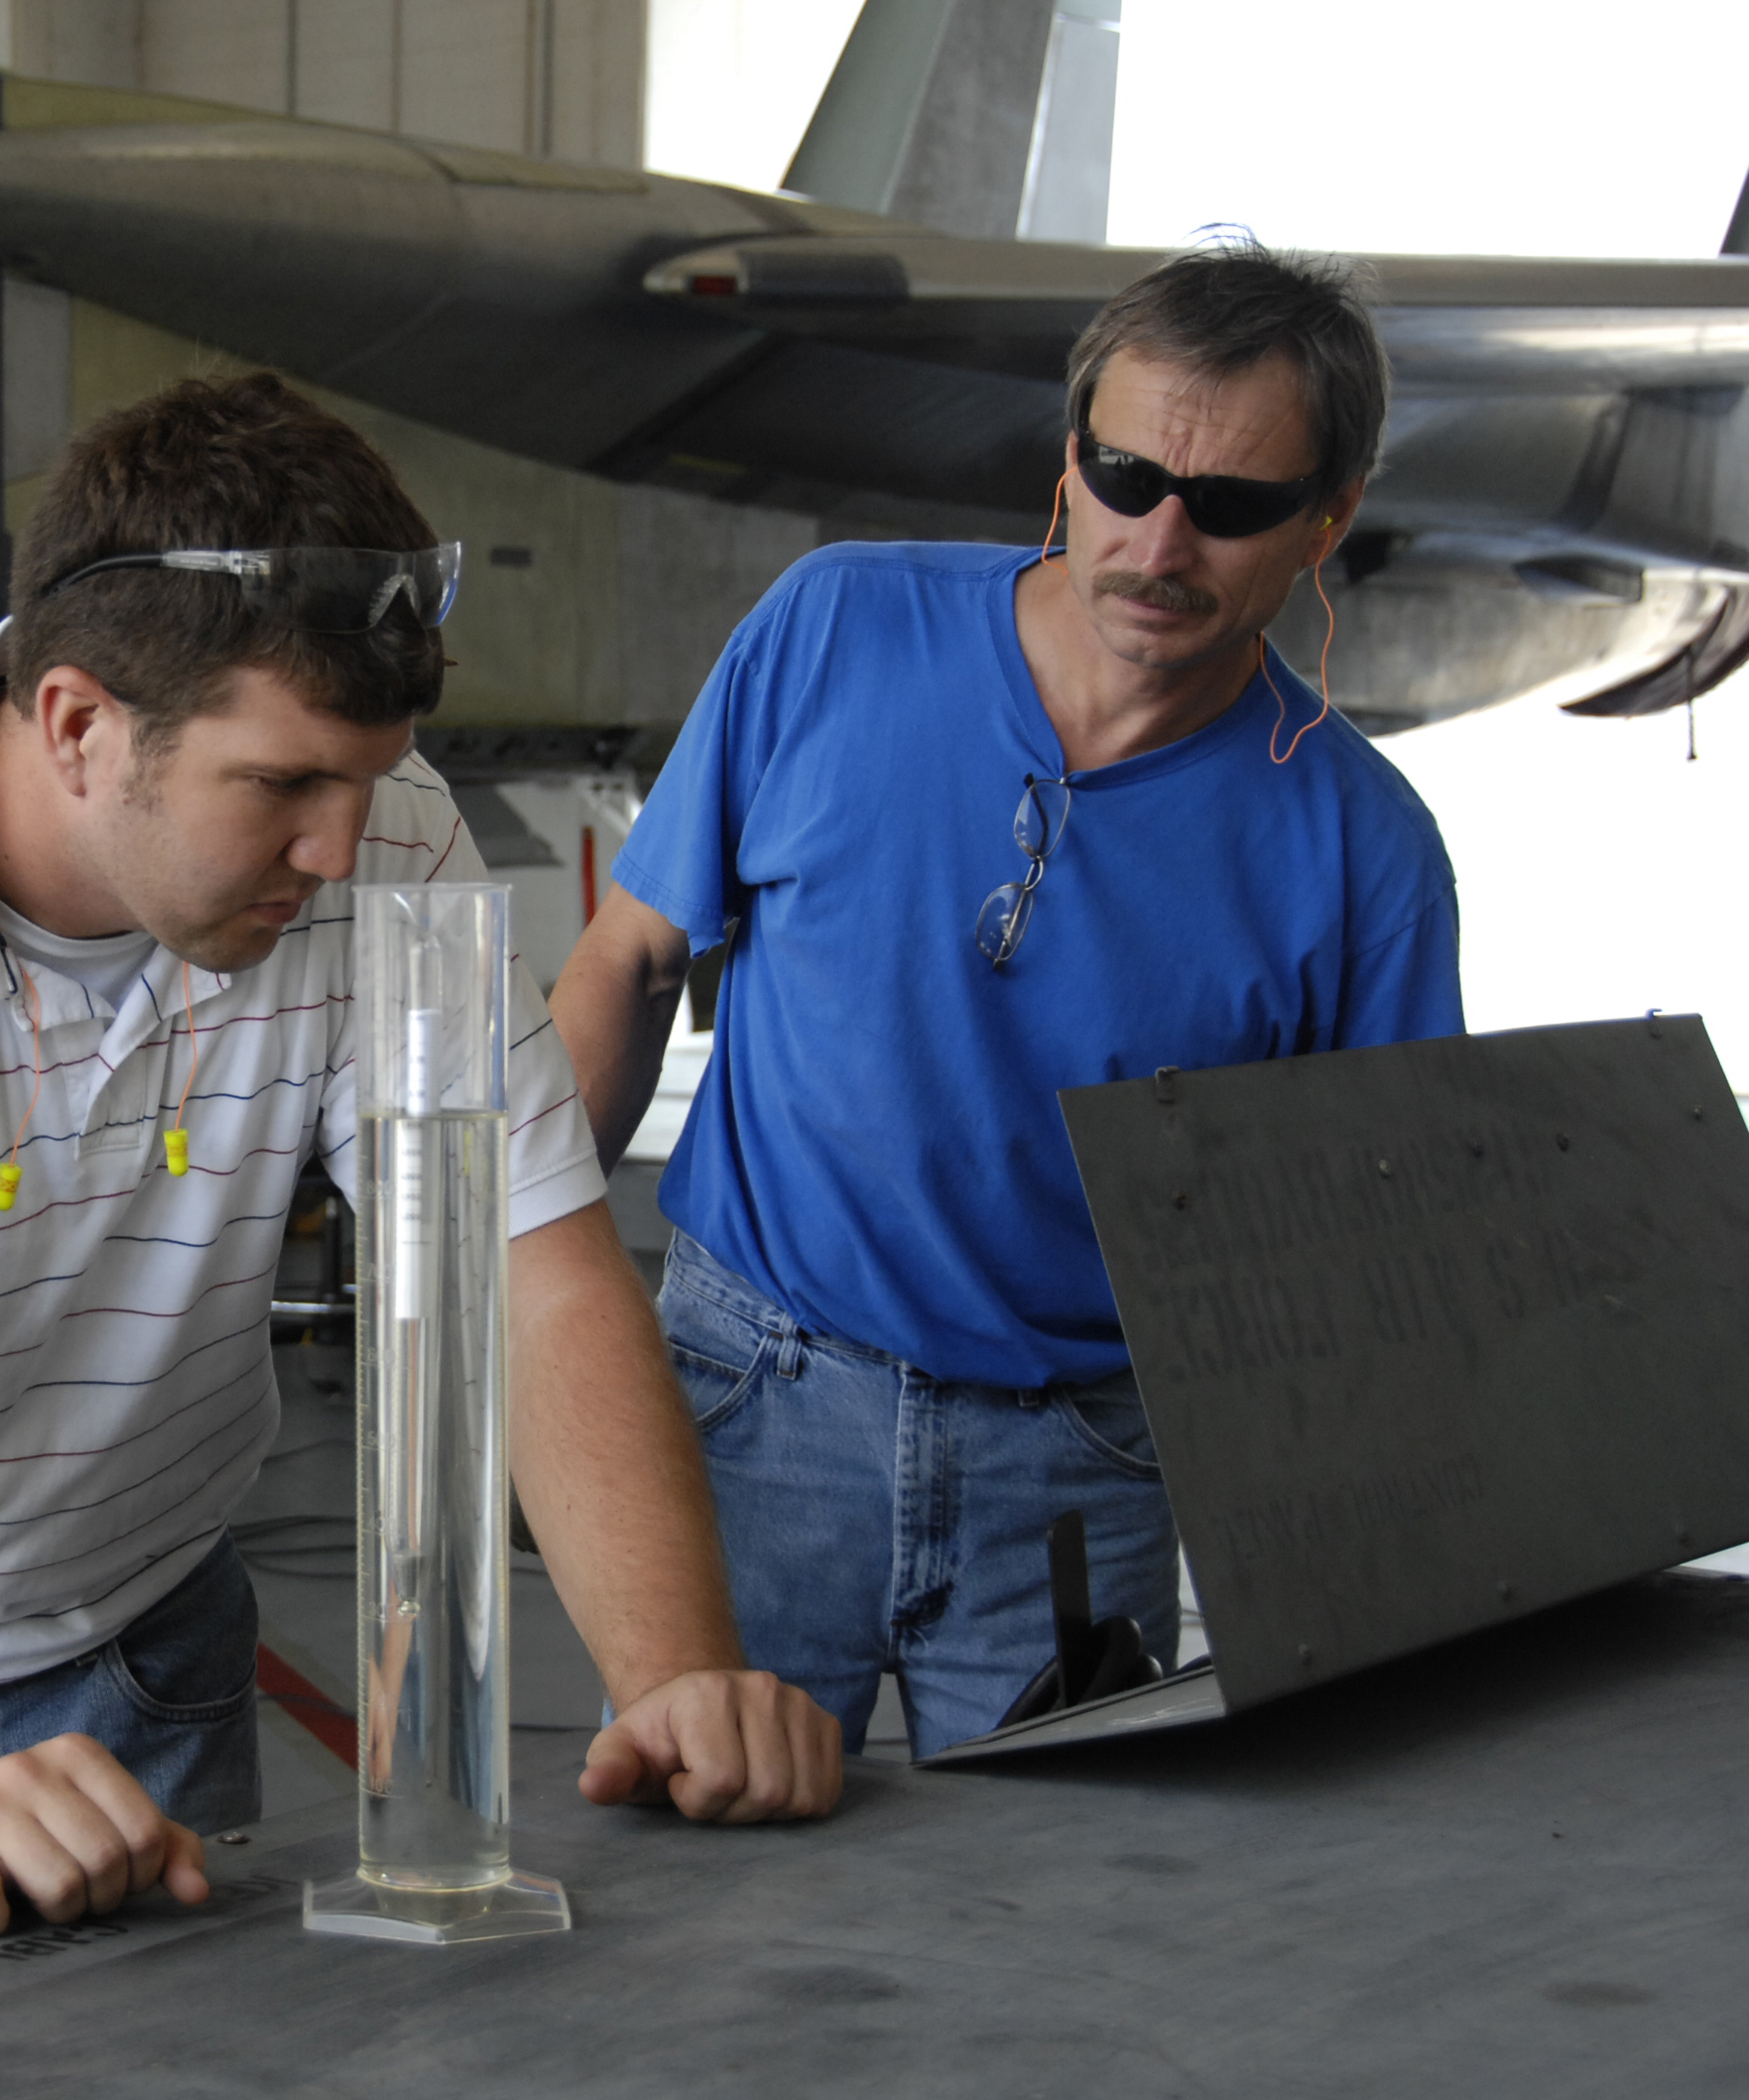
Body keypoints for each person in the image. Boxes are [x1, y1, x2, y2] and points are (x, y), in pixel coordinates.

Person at [0, 372, 842, 2009]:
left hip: (138, 1655)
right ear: (80, 723)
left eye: (371, 781)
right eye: (283, 787)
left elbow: (541, 1277)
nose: (341, 849)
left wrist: (676, 1682)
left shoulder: (381, 840)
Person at [551, 241, 1462, 1759]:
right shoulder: (830, 628)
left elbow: (1368, 1259)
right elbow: (627, 963)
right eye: (1123, 475)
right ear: (1069, 456)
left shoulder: (1368, 851)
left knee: (1063, 1939)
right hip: (752, 1404)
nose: (1159, 544)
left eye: (1231, 506)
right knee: (698, 1903)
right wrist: (521, 1320)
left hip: (1084, 1467)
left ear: (1330, 520)